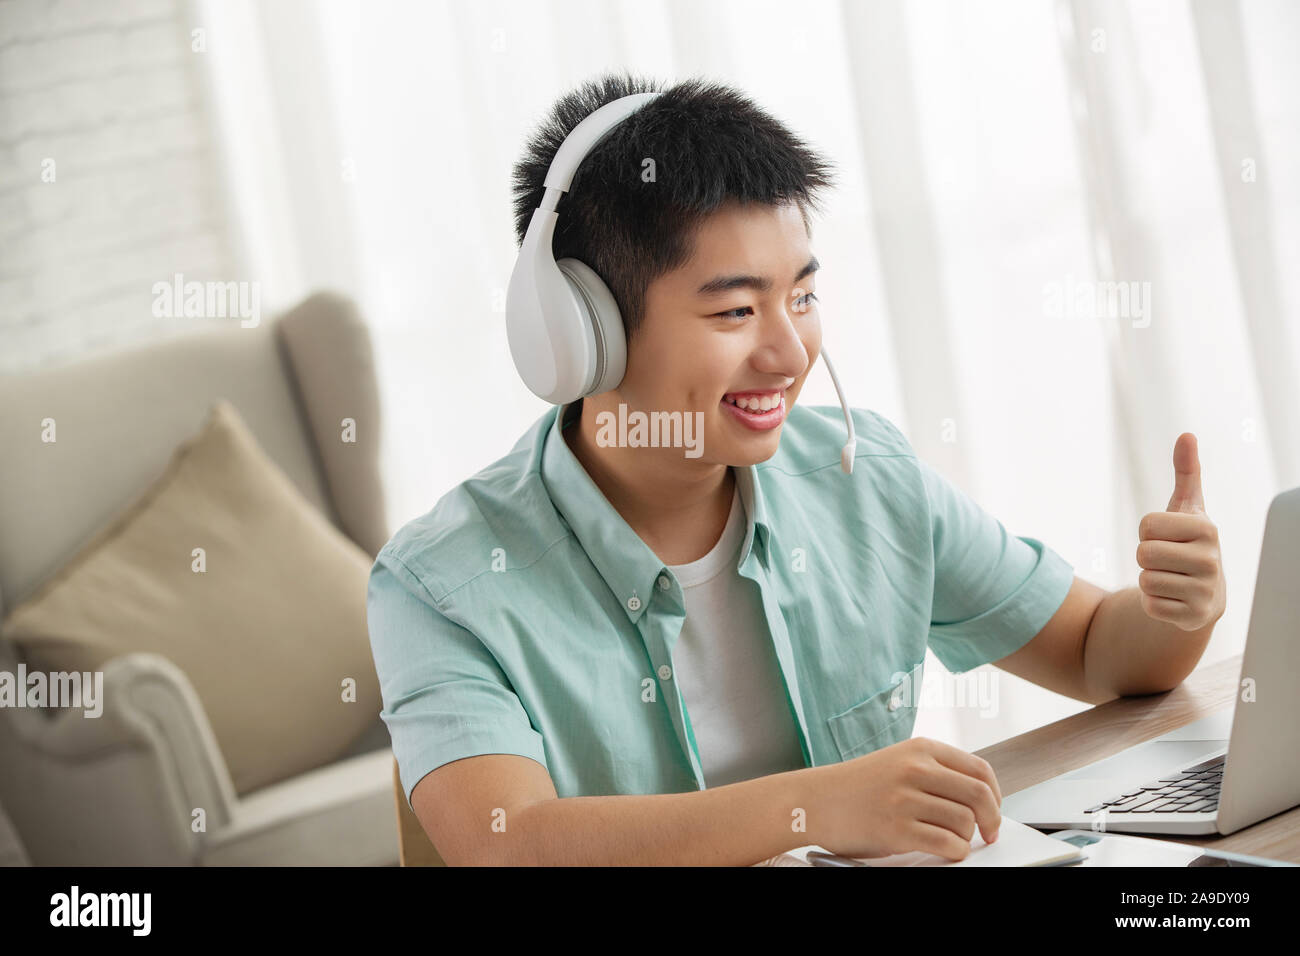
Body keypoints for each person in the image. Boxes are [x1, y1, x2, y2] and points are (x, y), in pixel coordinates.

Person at [366, 71, 1226, 866]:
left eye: (802, 297)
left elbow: (1097, 653)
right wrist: (819, 807)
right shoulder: (441, 585)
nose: (788, 351)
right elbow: (508, 847)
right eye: (737, 309)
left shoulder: (861, 475)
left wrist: (1172, 613)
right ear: (583, 335)